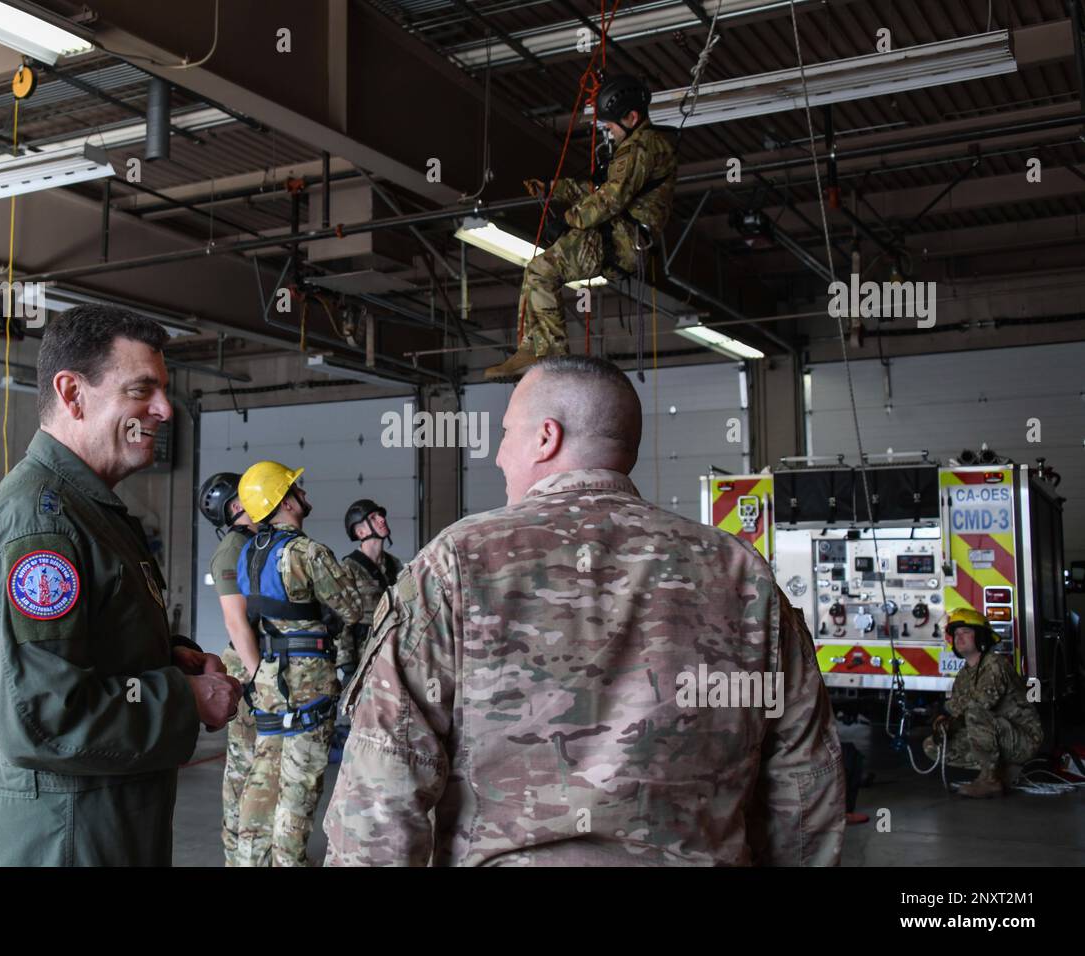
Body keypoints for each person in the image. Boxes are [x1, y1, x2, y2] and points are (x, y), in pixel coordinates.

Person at [325, 355, 845, 866]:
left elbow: (383, 787)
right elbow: (803, 777)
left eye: (506, 434)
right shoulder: (740, 573)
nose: (498, 456)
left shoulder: (456, 565)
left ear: (546, 437)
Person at [0, 305, 243, 867]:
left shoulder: (90, 511)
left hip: (100, 831)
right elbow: (42, 714)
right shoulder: (42, 523)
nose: (164, 410)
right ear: (72, 393)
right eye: (142, 391)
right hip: (61, 844)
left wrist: (172, 660)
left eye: (163, 391)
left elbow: (94, 646)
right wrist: (182, 700)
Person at [486, 75, 678, 380]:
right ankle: (535, 345)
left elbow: (611, 199)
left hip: (623, 240)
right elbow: (600, 188)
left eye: (612, 124)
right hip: (618, 234)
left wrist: (568, 219)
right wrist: (554, 189)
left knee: (541, 270)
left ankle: (548, 349)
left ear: (632, 117)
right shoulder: (636, 147)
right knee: (535, 273)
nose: (609, 131)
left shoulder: (643, 148)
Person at [233, 461, 366, 866]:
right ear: (286, 501)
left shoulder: (249, 556)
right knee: (298, 792)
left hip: (269, 682)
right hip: (307, 684)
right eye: (298, 490)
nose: (304, 496)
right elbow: (353, 607)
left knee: (262, 783)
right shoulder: (308, 552)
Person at [198, 471, 261, 860]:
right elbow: (235, 621)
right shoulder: (233, 549)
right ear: (236, 506)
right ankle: (237, 855)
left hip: (260, 660)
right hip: (248, 663)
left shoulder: (257, 542)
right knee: (243, 768)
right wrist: (259, 676)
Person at [923, 608, 1043, 798]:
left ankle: (990, 781)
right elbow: (961, 715)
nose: (959, 638)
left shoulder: (995, 663)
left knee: (975, 713)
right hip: (998, 735)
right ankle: (1002, 770)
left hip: (1023, 739)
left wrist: (946, 708)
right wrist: (946, 725)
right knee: (933, 745)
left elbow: (981, 704)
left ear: (980, 637)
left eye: (966, 632)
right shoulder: (964, 674)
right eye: (955, 634)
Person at [332, 499, 404, 760]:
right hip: (361, 652)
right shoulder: (348, 568)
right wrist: (347, 665)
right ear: (360, 531)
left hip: (392, 649)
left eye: (380, 516)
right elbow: (342, 620)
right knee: (358, 713)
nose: (382, 520)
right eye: (373, 518)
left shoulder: (395, 566)